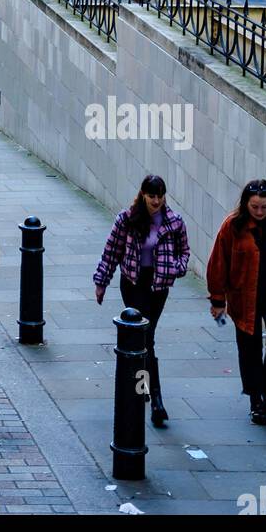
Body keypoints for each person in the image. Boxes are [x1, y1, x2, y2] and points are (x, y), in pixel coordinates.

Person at [93, 175, 190, 427]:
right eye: (151, 196)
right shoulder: (127, 220)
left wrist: (176, 268)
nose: (156, 201)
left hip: (158, 285)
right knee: (143, 337)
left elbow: (184, 251)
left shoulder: (174, 222)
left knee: (148, 336)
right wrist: (101, 282)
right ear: (143, 195)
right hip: (134, 283)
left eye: (160, 196)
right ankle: (155, 399)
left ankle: (146, 387)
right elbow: (111, 251)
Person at [207, 179, 266, 425]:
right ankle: (256, 400)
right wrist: (217, 300)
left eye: (263, 207)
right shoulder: (233, 226)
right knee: (249, 349)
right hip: (243, 297)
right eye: (254, 207)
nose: (259, 212)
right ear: (246, 204)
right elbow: (218, 262)